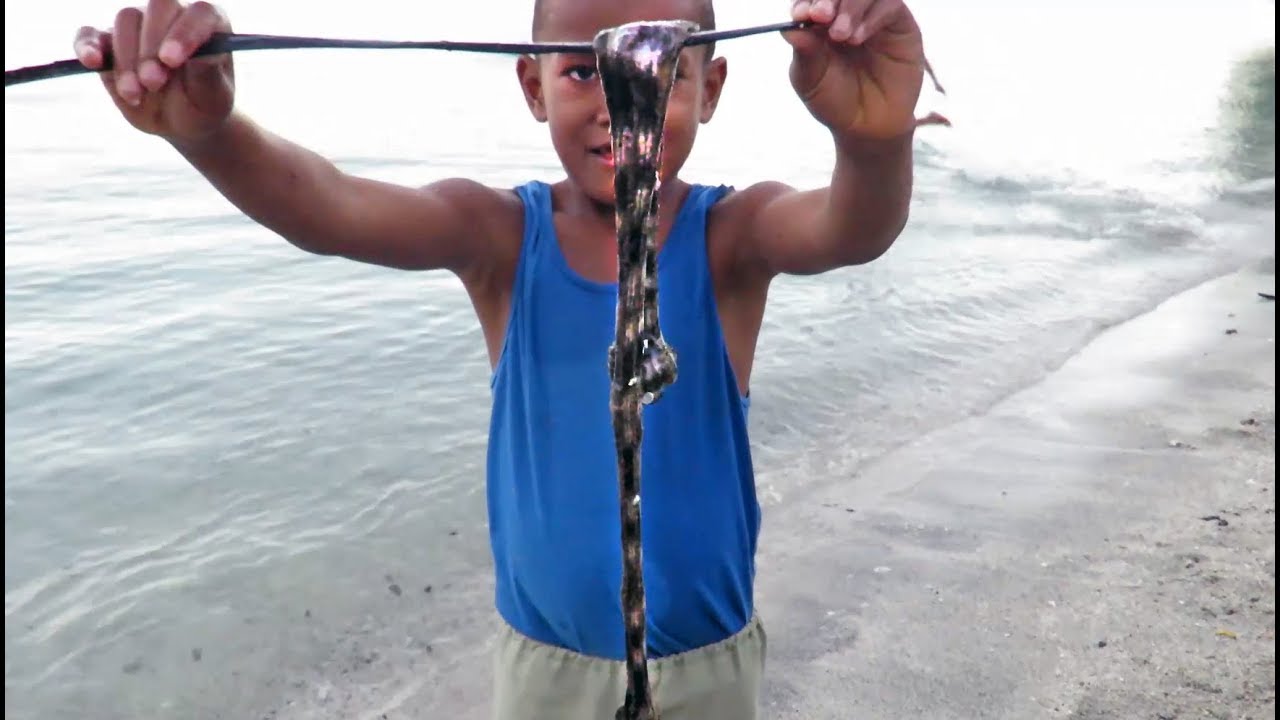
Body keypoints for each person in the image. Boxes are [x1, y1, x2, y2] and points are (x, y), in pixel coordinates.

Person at [72, 0, 934, 717]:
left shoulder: (733, 235)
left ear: (710, 87)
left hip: (710, 667)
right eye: (582, 68)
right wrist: (213, 136)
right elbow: (326, 207)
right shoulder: (499, 236)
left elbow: (851, 228)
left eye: (664, 65)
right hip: (546, 675)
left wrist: (872, 141)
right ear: (532, 84)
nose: (614, 101)